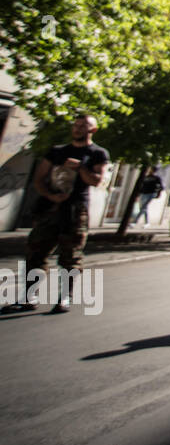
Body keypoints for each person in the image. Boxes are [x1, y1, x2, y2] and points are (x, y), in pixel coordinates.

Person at [3, 113, 109, 314]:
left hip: (76, 210)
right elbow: (39, 178)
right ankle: (29, 296)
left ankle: (65, 297)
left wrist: (80, 167)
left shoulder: (97, 153)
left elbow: (96, 180)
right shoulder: (57, 151)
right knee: (36, 252)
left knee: (70, 256)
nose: (78, 128)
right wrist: (51, 196)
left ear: (93, 130)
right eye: (76, 125)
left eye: (83, 126)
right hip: (50, 208)